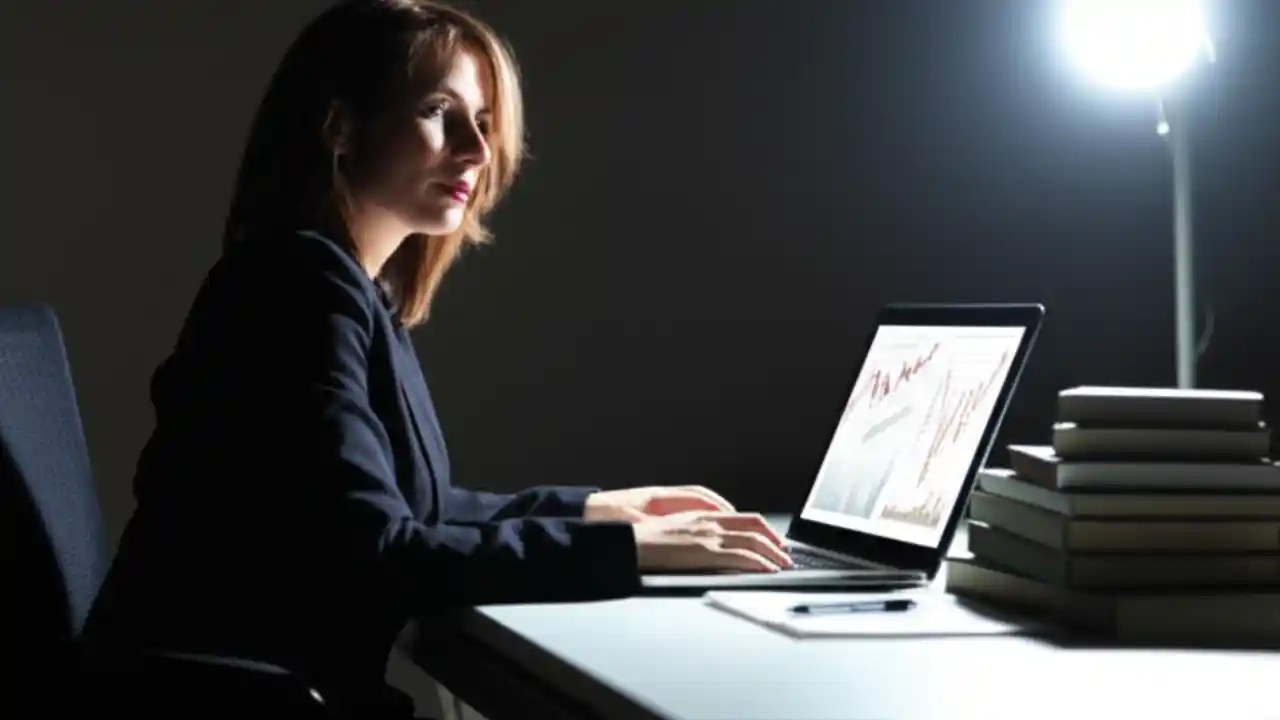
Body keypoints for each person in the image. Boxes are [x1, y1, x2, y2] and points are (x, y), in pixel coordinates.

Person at [83, 1, 792, 716]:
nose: (477, 151)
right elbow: (379, 552)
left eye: (482, 122)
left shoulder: (342, 287)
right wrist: (629, 549)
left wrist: (596, 512)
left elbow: (399, 506)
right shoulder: (298, 289)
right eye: (438, 112)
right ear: (339, 126)